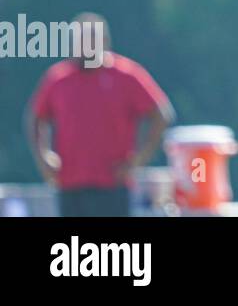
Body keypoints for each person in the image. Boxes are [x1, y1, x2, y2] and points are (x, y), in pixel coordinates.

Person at [25, 13, 174, 217]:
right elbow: (35, 118)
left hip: (113, 184)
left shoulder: (126, 75)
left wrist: (139, 160)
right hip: (70, 184)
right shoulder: (58, 78)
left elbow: (161, 115)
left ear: (103, 42)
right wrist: (43, 157)